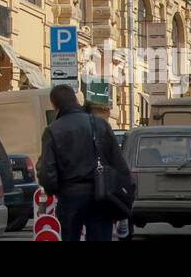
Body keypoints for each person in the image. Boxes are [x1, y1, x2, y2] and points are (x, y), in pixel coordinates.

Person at [36, 85, 130, 241]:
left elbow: (47, 171)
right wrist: (124, 195)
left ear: (55, 106)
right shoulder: (100, 125)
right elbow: (119, 163)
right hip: (101, 195)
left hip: (70, 195)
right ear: (75, 100)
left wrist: (53, 190)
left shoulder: (53, 130)